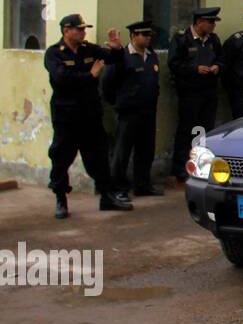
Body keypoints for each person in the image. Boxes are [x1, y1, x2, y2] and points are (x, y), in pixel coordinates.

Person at [44, 14, 130, 218]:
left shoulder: (89, 49)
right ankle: (60, 198)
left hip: (90, 114)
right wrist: (90, 76)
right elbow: (62, 79)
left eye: (84, 29)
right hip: (66, 116)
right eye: (79, 29)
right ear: (67, 31)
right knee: (61, 157)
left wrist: (117, 48)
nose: (83, 33)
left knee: (99, 157)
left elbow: (114, 60)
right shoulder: (54, 53)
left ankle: (107, 197)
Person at [103, 20, 162, 198]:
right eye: (144, 35)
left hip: (148, 110)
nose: (148, 38)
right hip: (129, 111)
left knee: (146, 150)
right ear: (134, 36)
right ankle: (118, 188)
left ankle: (142, 184)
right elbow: (107, 83)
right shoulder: (122, 56)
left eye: (149, 35)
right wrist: (117, 102)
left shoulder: (151, 55)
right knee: (123, 152)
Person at [169, 6, 222, 181]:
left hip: (209, 92)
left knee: (205, 132)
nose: (213, 26)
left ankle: (202, 166)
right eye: (210, 22)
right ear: (199, 22)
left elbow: (222, 59)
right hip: (190, 92)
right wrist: (195, 69)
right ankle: (180, 169)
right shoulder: (182, 39)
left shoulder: (213, 40)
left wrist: (217, 67)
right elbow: (174, 64)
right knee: (187, 130)